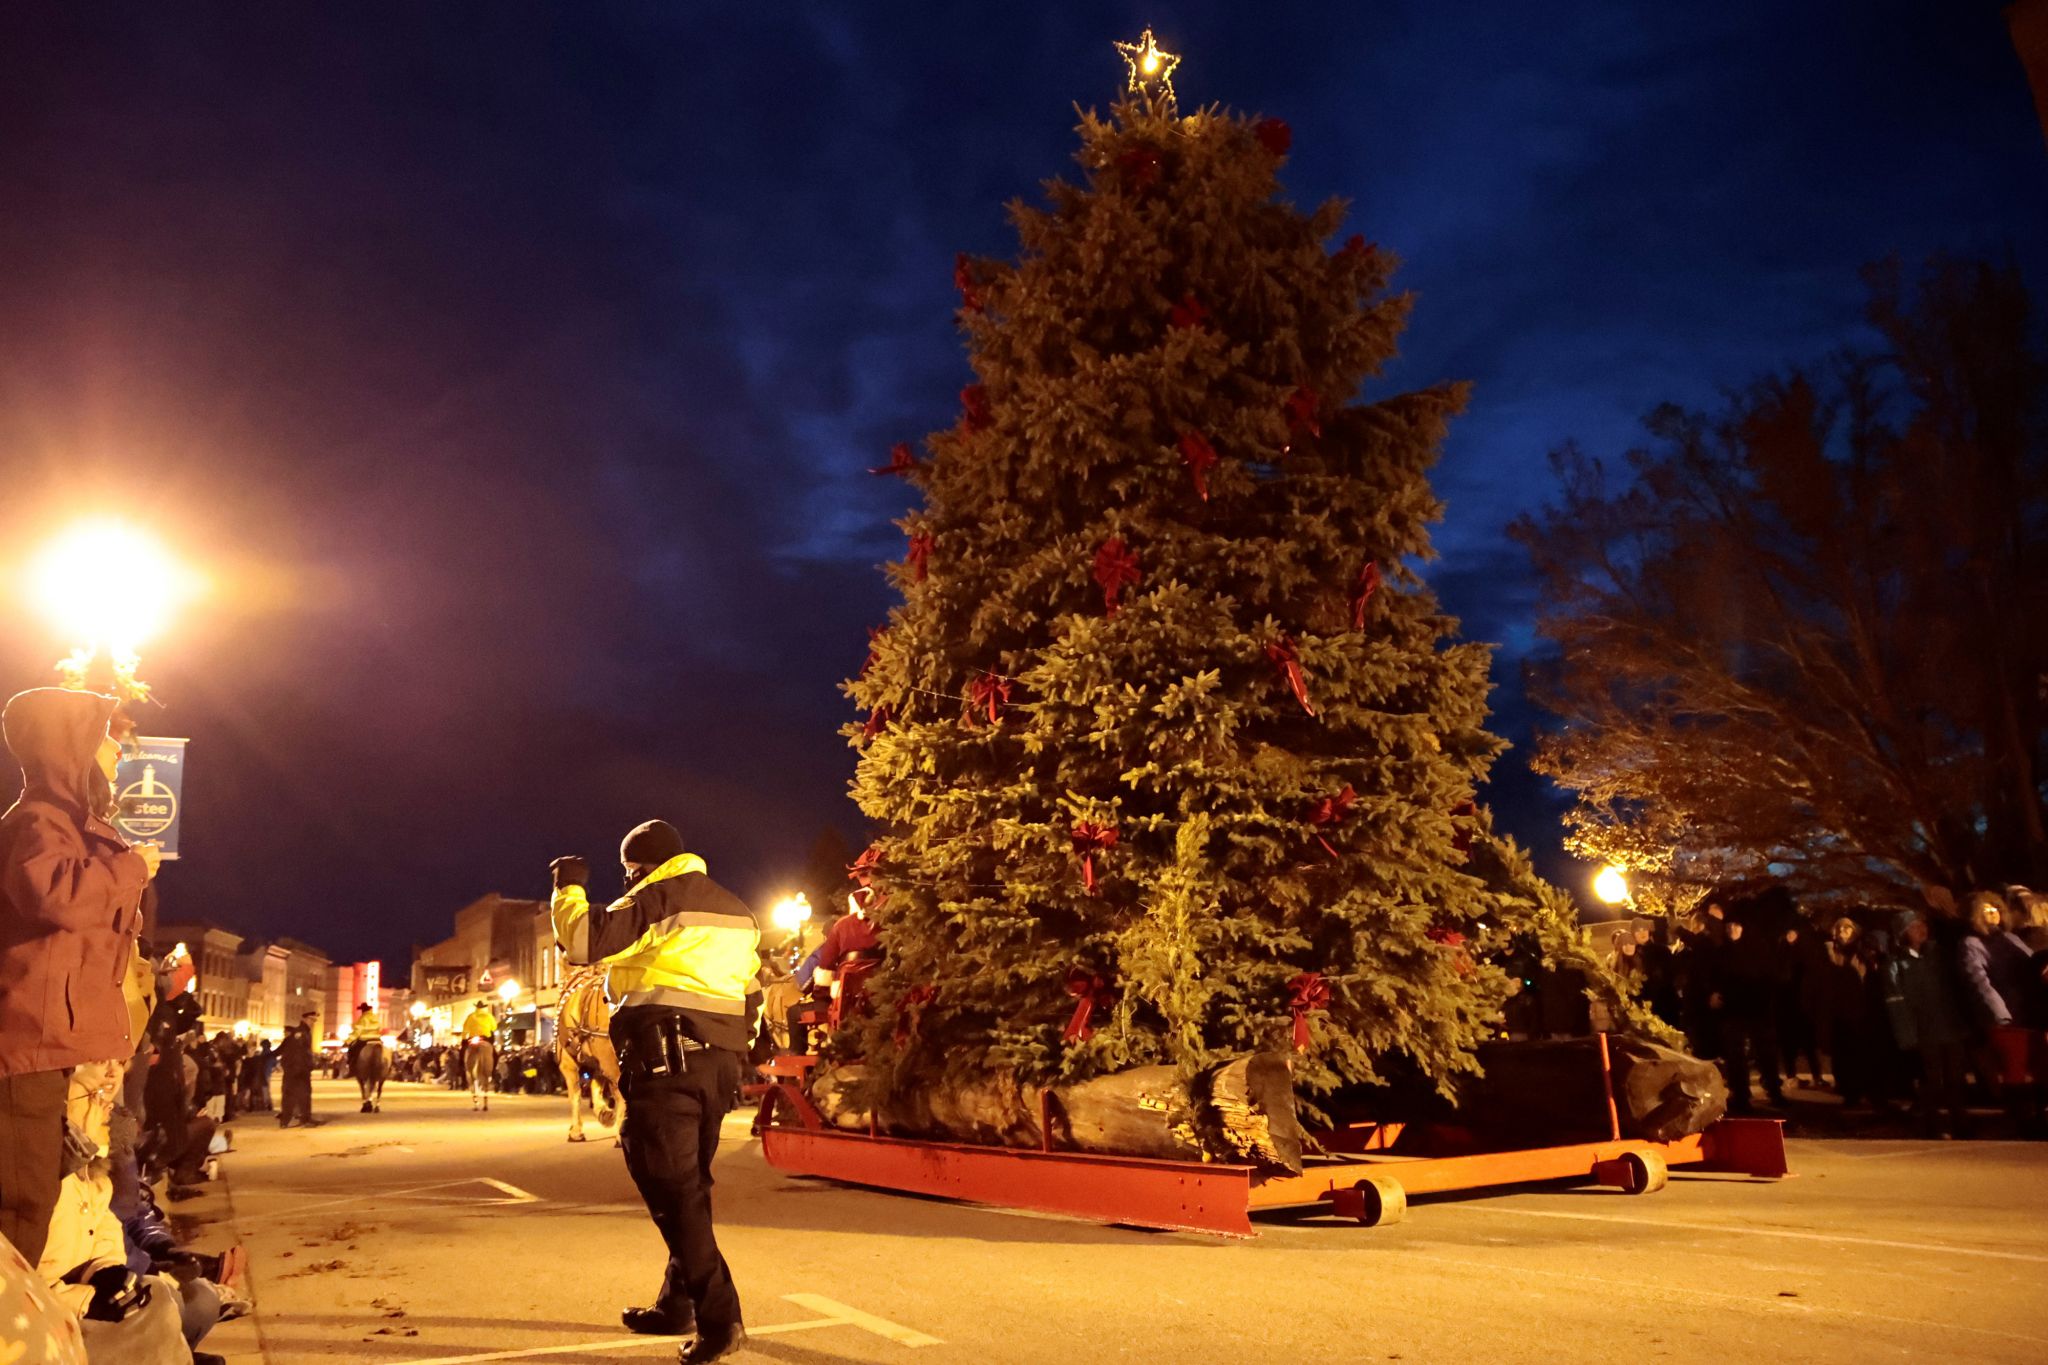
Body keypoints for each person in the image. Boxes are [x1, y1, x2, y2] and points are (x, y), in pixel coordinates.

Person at [550, 819, 760, 1364]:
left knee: (671, 1189)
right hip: (717, 1069)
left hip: (664, 1066)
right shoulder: (737, 911)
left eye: (628, 872)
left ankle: (720, 1319)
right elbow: (753, 991)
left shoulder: (658, 898)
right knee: (690, 1187)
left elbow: (583, 940)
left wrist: (568, 888)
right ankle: (677, 1305)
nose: (628, 881)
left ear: (639, 867)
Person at [0, 688, 161, 1266]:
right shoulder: (40, 821)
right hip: (27, 1042)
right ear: (74, 751)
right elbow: (54, 896)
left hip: (49, 1041)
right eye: (108, 742)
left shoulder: (65, 824)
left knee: (43, 1195)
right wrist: (128, 868)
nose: (119, 757)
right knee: (22, 1207)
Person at [1884, 909, 1971, 1138]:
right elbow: (1896, 1002)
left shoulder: (1938, 954)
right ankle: (1933, 1125)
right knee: (1932, 1081)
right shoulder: (1896, 963)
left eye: (1922, 925)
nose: (1921, 930)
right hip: (1924, 1031)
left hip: (1951, 1027)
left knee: (1956, 1079)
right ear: (1903, 933)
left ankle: (1960, 1124)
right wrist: (1907, 1035)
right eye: (1914, 926)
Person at [276, 1013, 316, 1128]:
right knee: (304, 1094)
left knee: (289, 1094)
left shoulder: (297, 1032)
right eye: (311, 1020)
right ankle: (305, 1119)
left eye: (314, 1021)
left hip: (292, 1068)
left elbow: (281, 1050)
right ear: (305, 1019)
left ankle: (285, 1121)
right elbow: (302, 1052)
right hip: (299, 1068)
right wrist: (308, 1065)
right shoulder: (302, 1032)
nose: (313, 1023)